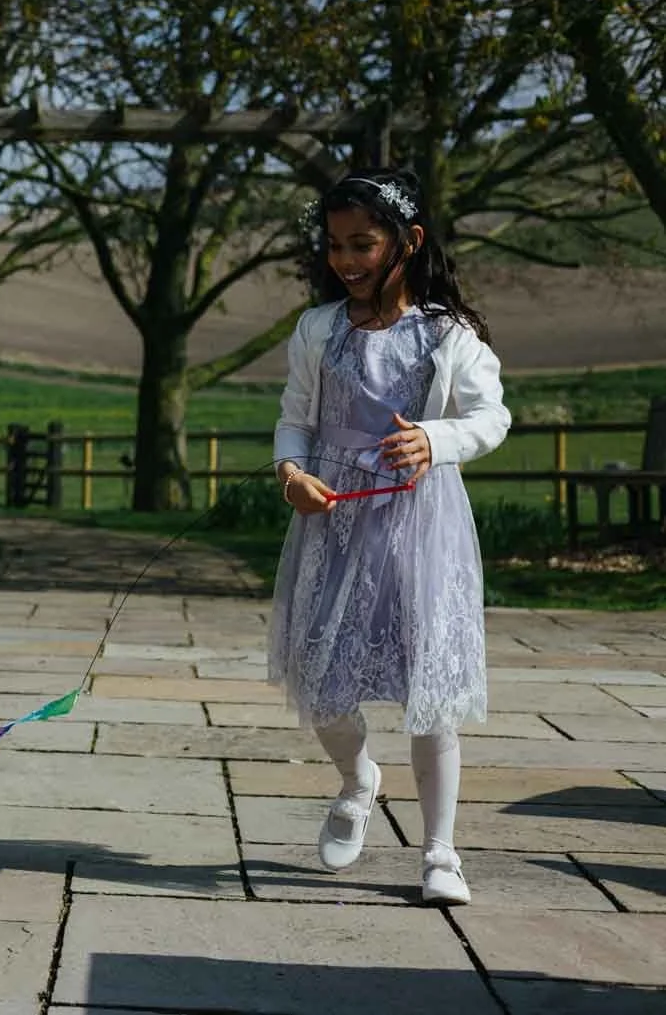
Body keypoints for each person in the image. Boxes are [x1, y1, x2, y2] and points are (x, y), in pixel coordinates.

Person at [269, 168, 509, 907]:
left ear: (407, 241)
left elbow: (491, 417)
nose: (346, 260)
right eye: (336, 245)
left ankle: (440, 851)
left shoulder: (446, 333)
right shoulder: (317, 330)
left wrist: (436, 439)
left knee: (429, 689)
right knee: (320, 682)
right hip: (334, 521)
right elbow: (295, 418)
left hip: (419, 523)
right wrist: (291, 471)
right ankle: (357, 778)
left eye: (363, 244)